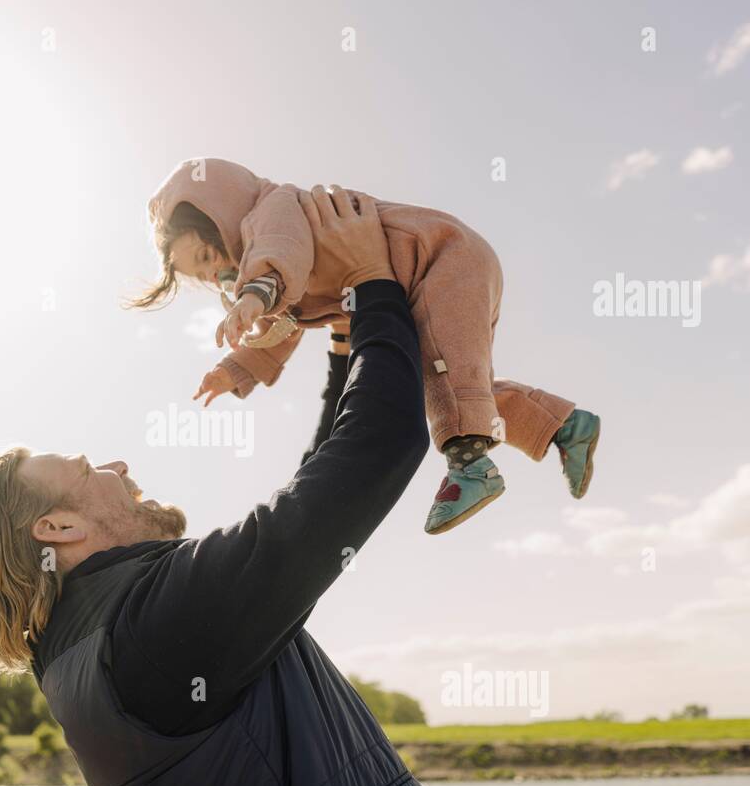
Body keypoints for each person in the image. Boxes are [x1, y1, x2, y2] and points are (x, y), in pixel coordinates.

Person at [0, 187, 473, 786]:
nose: (118, 464)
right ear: (60, 525)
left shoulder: (95, 647)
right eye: (86, 466)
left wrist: (343, 345)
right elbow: (371, 456)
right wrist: (371, 284)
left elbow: (308, 505)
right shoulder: (152, 626)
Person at [128, 157, 601, 534]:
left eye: (207, 257)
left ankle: (470, 470)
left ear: (219, 213)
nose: (215, 274)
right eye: (204, 276)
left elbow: (280, 253)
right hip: (411, 282)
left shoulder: (273, 212)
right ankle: (563, 426)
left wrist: (254, 295)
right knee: (443, 384)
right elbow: (282, 328)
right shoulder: (275, 276)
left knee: (449, 377)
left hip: (441, 257)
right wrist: (237, 368)